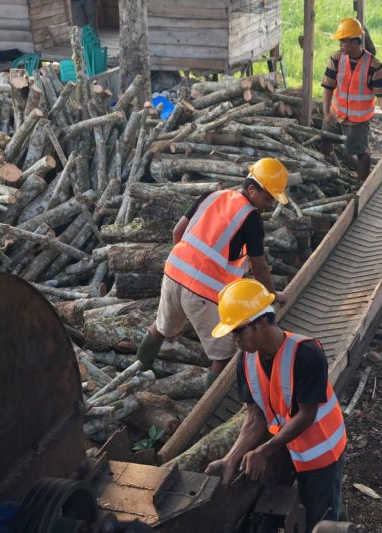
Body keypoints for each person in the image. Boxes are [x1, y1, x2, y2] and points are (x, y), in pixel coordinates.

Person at [135, 158, 291, 387]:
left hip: (173, 275)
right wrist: (272, 296)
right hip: (203, 292)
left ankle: (135, 376)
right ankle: (210, 404)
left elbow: (178, 232)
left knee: (160, 328)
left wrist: (185, 265)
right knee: (223, 354)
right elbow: (259, 267)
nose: (268, 205)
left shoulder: (212, 195)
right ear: (251, 189)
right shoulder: (251, 218)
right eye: (267, 198)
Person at [206, 279, 346, 532]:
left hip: (321, 451)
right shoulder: (246, 361)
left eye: (238, 331)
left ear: (262, 323)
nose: (235, 339)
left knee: (322, 520)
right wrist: (231, 458)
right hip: (286, 447)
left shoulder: (307, 354)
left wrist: (265, 451)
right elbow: (255, 417)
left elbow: (307, 415)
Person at [321, 17, 382, 182]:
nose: (340, 45)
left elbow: (381, 93)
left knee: (362, 153)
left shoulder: (374, 66)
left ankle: (362, 184)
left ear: (355, 42)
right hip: (336, 112)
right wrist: (326, 111)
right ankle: (328, 169)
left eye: (344, 41)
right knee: (325, 139)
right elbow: (328, 86)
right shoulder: (336, 59)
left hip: (358, 120)